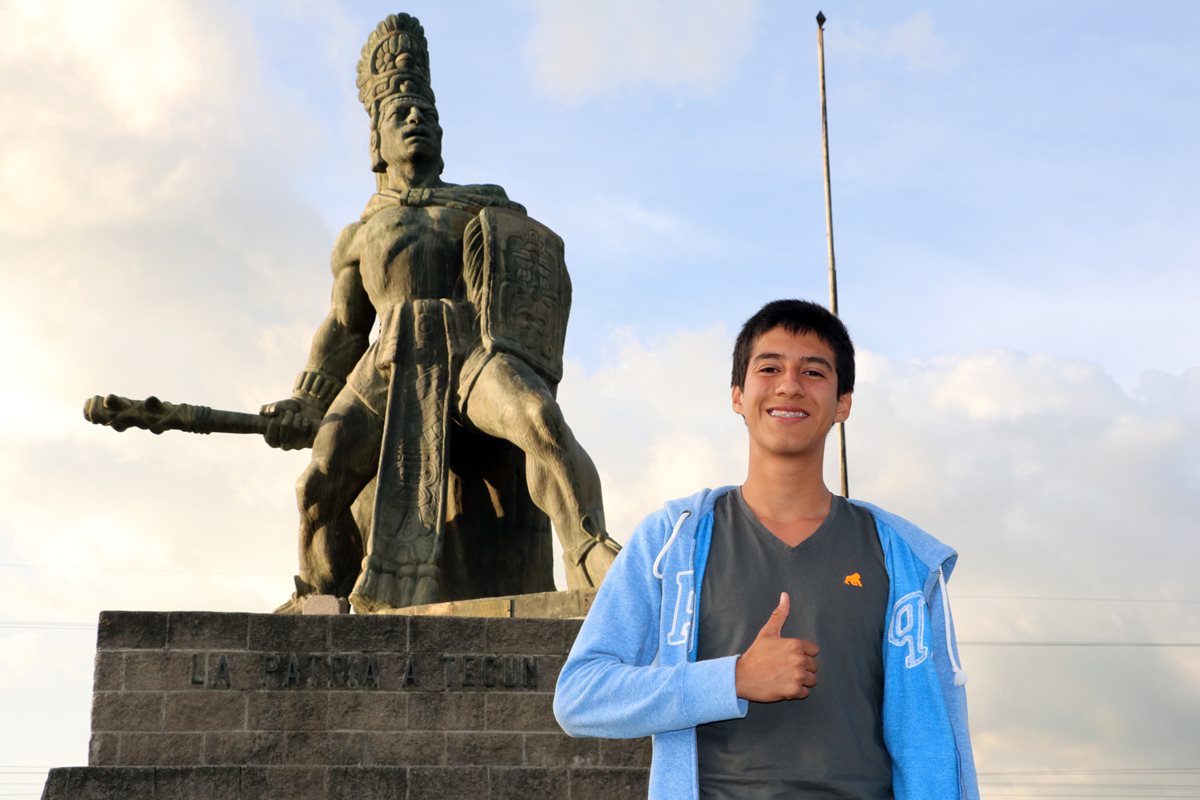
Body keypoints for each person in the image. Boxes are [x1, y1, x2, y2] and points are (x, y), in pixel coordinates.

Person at [261, 13, 617, 613]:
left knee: (537, 418)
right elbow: (345, 329)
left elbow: (520, 281)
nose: (416, 119)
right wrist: (305, 400)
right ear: (376, 139)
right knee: (317, 484)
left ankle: (588, 550)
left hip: (468, 349)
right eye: (400, 113)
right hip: (389, 364)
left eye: (426, 112)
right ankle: (323, 595)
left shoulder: (485, 206)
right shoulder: (359, 235)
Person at [554, 299, 978, 799]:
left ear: (843, 402)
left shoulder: (902, 557)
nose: (789, 384)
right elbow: (581, 695)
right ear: (738, 394)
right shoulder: (672, 541)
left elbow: (932, 743)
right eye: (770, 367)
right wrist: (732, 678)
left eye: (814, 371)